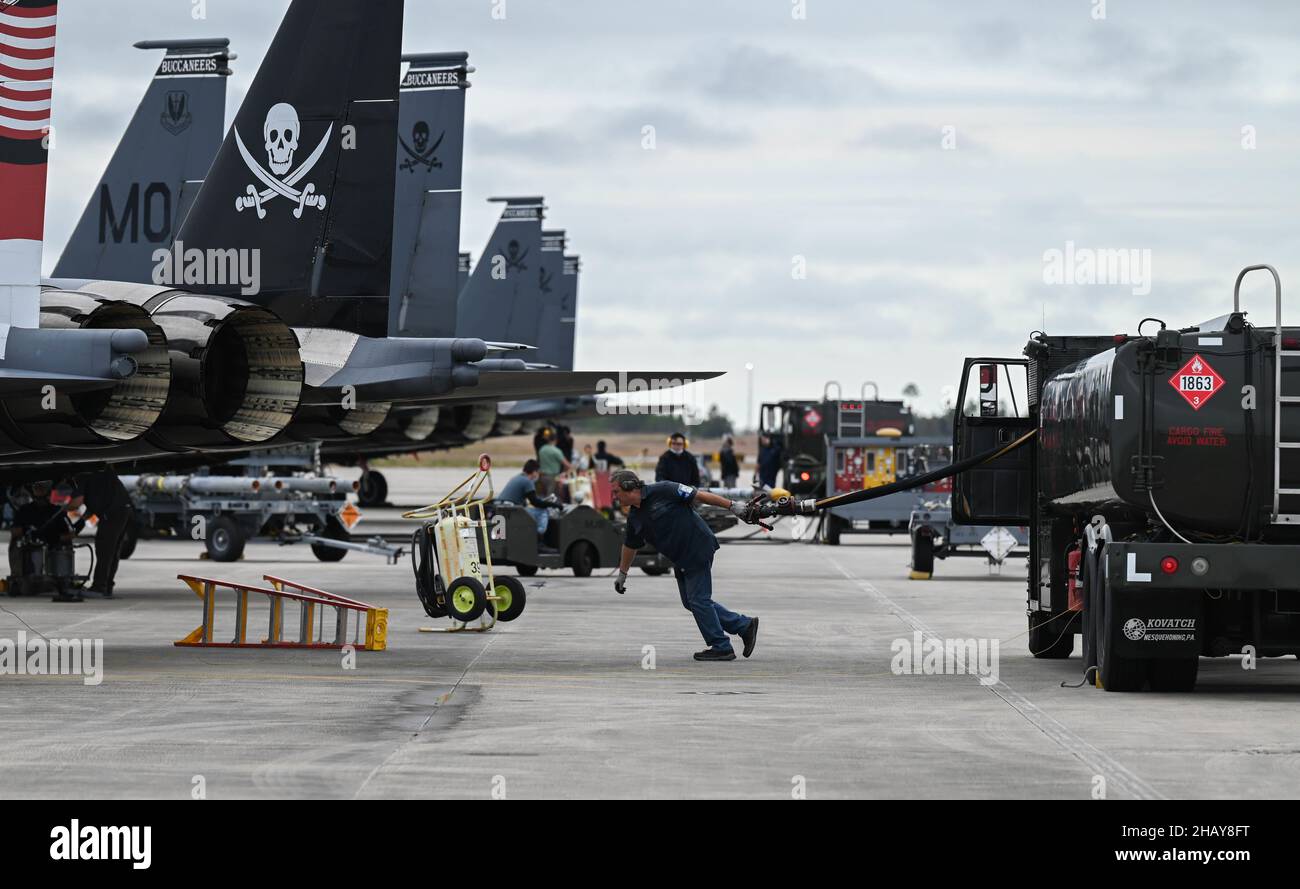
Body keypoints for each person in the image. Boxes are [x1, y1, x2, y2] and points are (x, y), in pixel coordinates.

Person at [611, 469, 759, 661]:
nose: (614, 496)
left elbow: (700, 496)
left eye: (616, 491)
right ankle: (743, 626)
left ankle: (721, 646)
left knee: (698, 600)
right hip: (681, 557)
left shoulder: (664, 489)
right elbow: (630, 546)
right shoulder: (635, 517)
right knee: (691, 602)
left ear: (629, 487)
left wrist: (732, 506)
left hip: (697, 547)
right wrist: (622, 573)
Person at [59, 471, 132, 598]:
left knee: (104, 549)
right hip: (124, 508)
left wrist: (59, 509)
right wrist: (79, 525)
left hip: (112, 511)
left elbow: (76, 502)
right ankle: (107, 586)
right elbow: (90, 507)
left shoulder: (81, 475)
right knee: (112, 550)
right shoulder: (95, 470)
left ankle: (99, 587)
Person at [497, 459, 559, 537]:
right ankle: (538, 535)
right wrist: (554, 505)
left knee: (532, 510)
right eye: (538, 472)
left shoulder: (517, 477)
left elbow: (528, 500)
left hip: (502, 508)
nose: (538, 474)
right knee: (542, 511)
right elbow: (535, 502)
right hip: (512, 511)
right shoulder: (527, 481)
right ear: (534, 472)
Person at [536, 429, 572, 498]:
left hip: (542, 476)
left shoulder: (542, 449)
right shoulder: (556, 451)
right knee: (551, 497)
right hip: (552, 477)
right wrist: (566, 470)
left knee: (543, 496)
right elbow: (566, 464)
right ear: (555, 440)